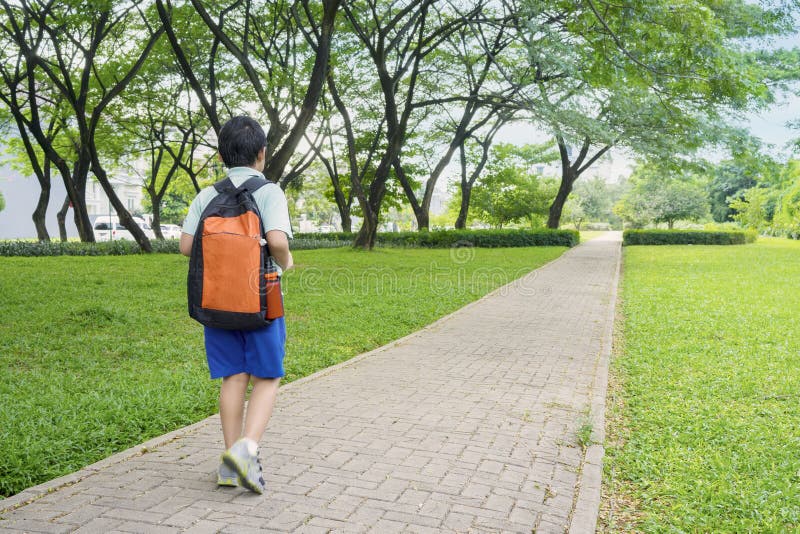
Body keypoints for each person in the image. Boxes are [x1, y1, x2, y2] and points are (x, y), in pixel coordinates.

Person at [180, 116, 293, 494]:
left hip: (217, 301)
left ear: (221, 155)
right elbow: (276, 240)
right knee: (267, 377)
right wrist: (287, 261)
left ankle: (230, 461)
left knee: (234, 377)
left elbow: (186, 246)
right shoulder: (270, 191)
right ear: (262, 154)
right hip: (262, 300)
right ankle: (246, 453)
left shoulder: (205, 195)